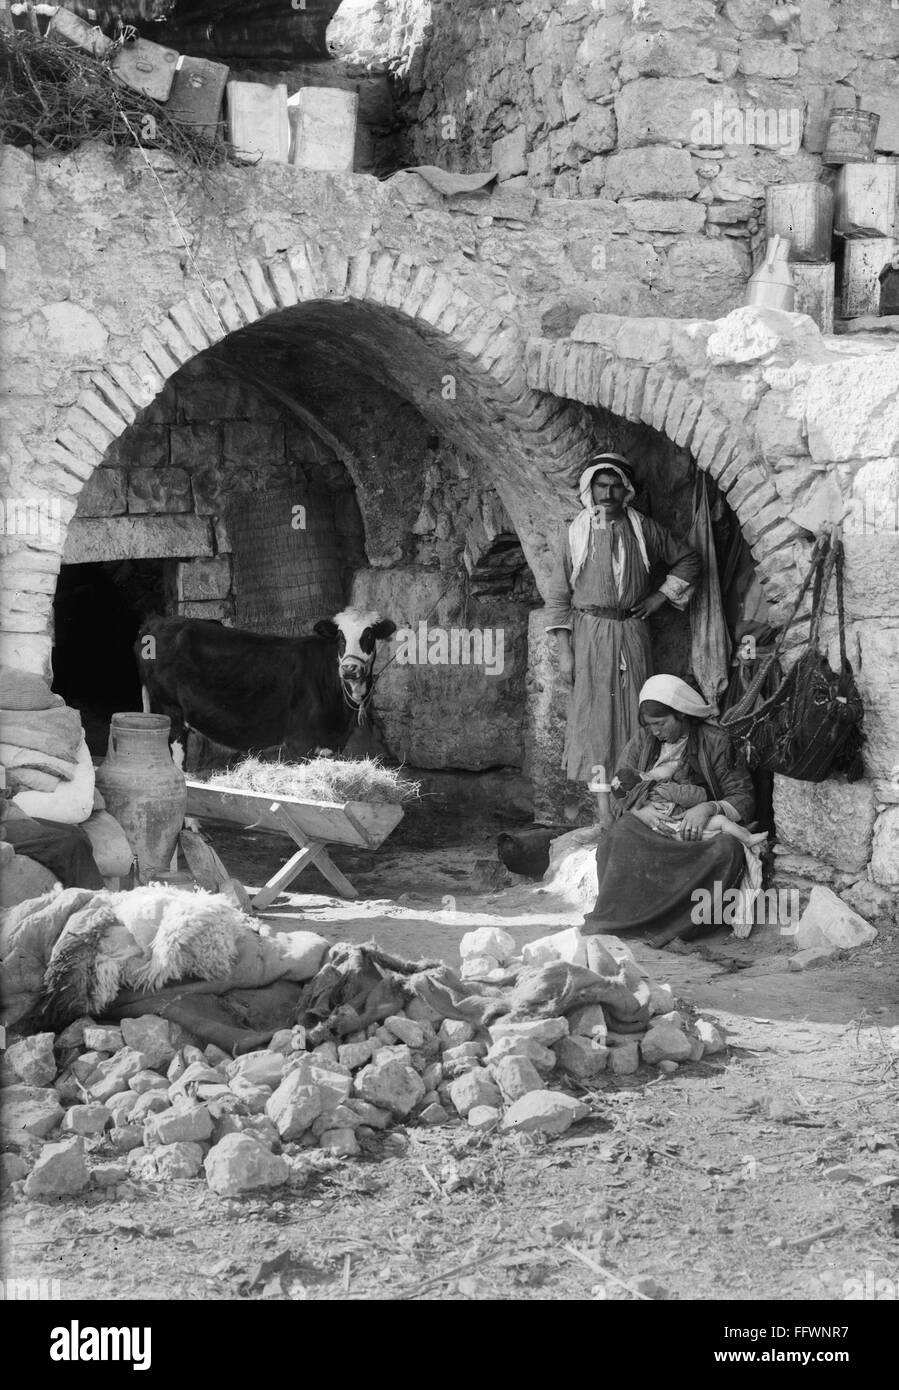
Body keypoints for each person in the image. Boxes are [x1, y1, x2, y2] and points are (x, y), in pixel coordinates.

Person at [544, 451, 701, 820]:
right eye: (602, 486)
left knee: (636, 716)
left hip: (632, 632)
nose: (608, 494)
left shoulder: (644, 529)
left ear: (626, 490)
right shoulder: (574, 533)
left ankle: (633, 807)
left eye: (616, 486)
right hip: (590, 635)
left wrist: (660, 598)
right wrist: (565, 653)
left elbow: (690, 560)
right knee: (596, 722)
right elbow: (558, 596)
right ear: (590, 489)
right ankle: (604, 818)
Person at [581, 675, 758, 948]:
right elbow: (620, 785)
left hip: (697, 831)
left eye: (661, 723)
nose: (655, 732)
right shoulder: (643, 741)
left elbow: (743, 795)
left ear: (681, 715)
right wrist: (641, 811)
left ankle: (679, 927)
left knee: (726, 849)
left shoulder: (716, 741)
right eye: (651, 726)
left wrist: (707, 807)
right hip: (652, 825)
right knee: (619, 836)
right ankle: (626, 920)